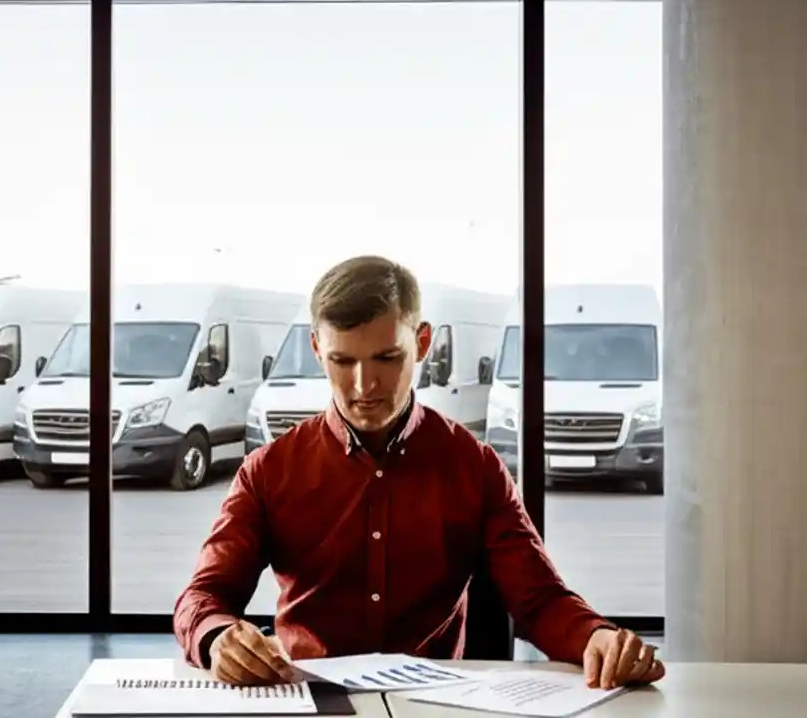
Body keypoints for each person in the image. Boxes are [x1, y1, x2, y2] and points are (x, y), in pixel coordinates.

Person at [172, 255, 666, 691]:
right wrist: (217, 638)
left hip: (436, 705)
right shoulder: (269, 470)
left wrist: (598, 637)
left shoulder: (475, 466)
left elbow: (539, 600)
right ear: (318, 350)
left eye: (387, 358)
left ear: (422, 341)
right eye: (343, 361)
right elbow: (203, 596)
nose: (364, 385)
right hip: (311, 701)